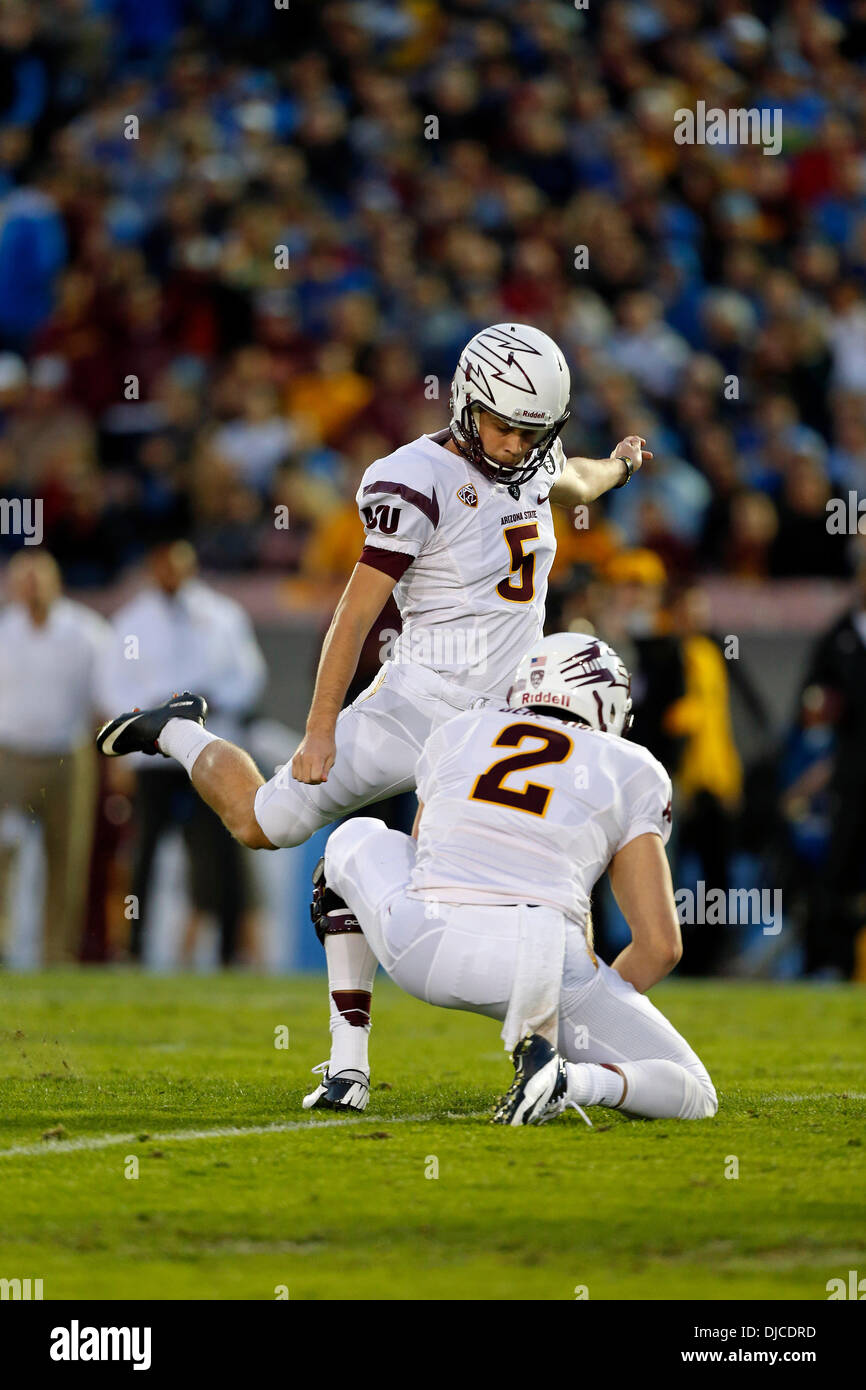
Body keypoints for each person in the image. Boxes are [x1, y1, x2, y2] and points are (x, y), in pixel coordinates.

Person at [96, 323, 650, 1094]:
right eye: (506, 426)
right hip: (413, 706)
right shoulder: (416, 478)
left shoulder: (529, 456)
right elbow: (353, 617)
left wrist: (620, 465)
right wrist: (320, 729)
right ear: (465, 403)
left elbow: (578, 481)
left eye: (534, 433)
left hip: (498, 721)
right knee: (267, 823)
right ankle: (181, 728)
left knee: (545, 869)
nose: (519, 446)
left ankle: (526, 1058)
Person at [310, 632, 717, 1124]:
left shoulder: (461, 731)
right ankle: (565, 1079)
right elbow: (660, 946)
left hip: (421, 943)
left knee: (354, 839)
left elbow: (421, 855)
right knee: (694, 1090)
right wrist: (584, 1016)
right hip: (540, 960)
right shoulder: (631, 766)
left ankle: (348, 1068)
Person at [97, 537, 267, 964]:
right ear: (154, 566)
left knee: (224, 845)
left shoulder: (221, 615)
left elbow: (248, 675)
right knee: (145, 853)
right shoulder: (131, 621)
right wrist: (149, 714)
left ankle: (229, 954)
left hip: (208, 748)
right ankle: (133, 949)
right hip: (153, 753)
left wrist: (208, 699)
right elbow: (111, 684)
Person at [0, 550, 108, 963]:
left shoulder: (85, 632)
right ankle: (3, 945)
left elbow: (105, 701)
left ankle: (57, 954)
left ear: (55, 583)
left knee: (67, 858)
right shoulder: (5, 631)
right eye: (23, 581)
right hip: (9, 753)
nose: (31, 589)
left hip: (68, 755)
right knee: (3, 855)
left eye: (38, 580)